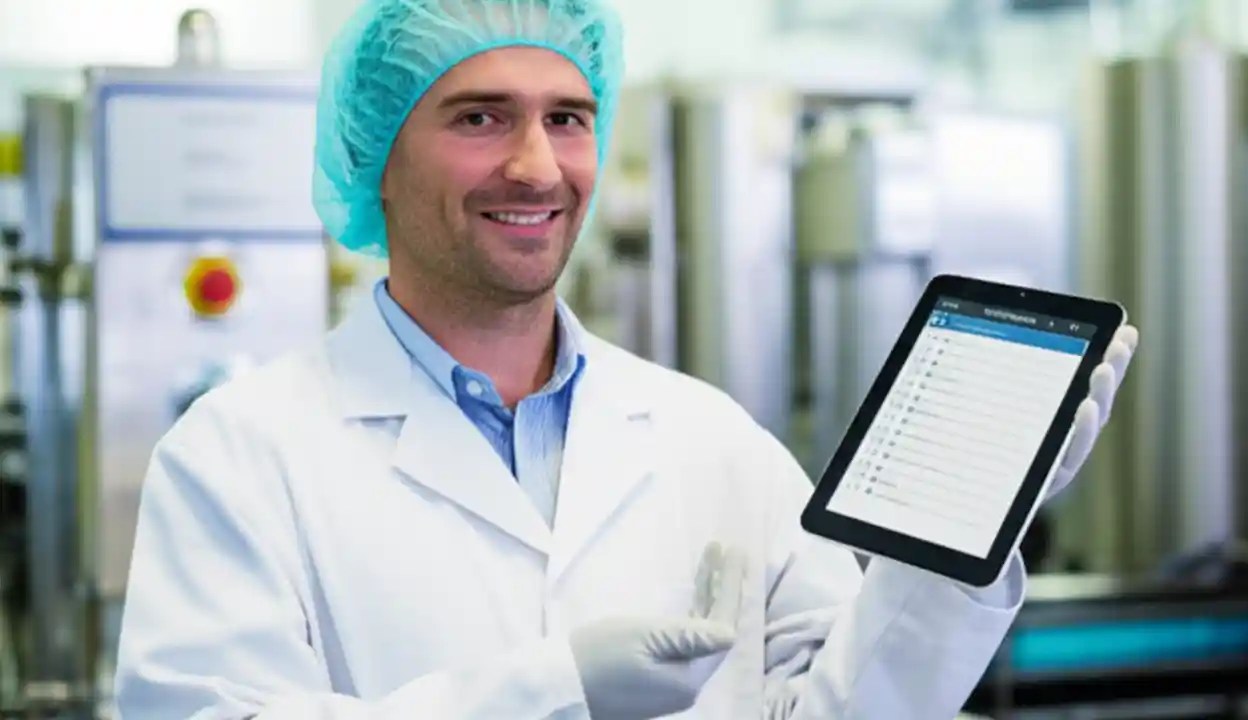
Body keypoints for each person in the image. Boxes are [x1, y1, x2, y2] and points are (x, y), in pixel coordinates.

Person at [113, 0, 1140, 717]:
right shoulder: (239, 456)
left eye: (567, 119)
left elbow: (839, 708)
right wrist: (552, 691)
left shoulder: (709, 437)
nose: (534, 165)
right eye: (479, 118)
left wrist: (948, 551)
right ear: (374, 156)